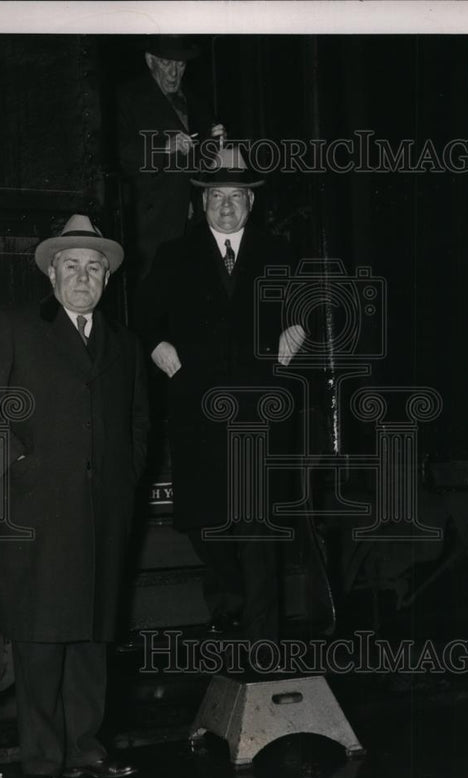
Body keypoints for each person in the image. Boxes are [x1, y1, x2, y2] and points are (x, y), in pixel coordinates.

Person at [0, 214, 148, 778]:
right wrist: (19, 466)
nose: (83, 276)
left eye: (94, 267)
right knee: (40, 640)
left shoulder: (124, 344)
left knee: (92, 638)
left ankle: (86, 749)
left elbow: (138, 425)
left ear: (107, 279)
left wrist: (124, 484)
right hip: (37, 514)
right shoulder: (16, 327)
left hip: (102, 517)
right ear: (52, 274)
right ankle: (42, 763)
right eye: (72, 266)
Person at [137, 147, 305, 647]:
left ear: (251, 203)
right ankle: (232, 600)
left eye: (236, 196)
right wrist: (156, 344)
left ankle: (262, 640)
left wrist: (299, 327)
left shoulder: (279, 253)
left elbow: (311, 308)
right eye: (216, 196)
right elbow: (142, 317)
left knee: (257, 526)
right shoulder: (174, 255)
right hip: (199, 412)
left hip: (261, 413)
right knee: (206, 523)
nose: (226, 205)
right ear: (201, 203)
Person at [116, 34, 226, 282]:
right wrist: (163, 148)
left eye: (180, 64)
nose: (174, 73)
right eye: (166, 63)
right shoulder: (127, 99)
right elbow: (120, 155)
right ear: (150, 60)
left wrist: (217, 145)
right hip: (149, 229)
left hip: (193, 225)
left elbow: (203, 165)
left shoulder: (197, 103)